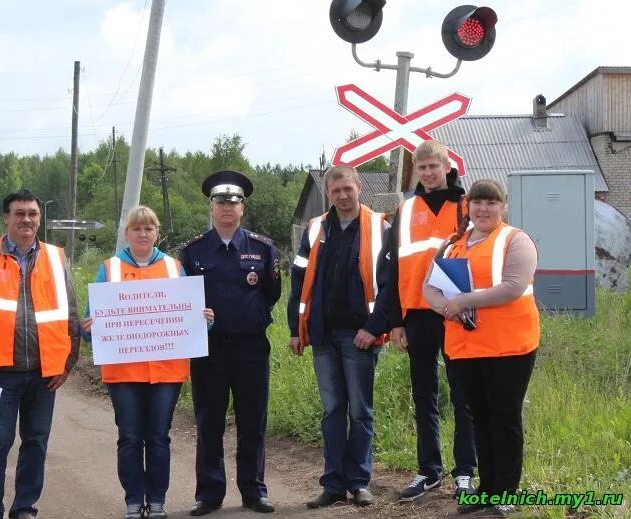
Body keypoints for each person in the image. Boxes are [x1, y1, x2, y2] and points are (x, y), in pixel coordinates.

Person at [80, 205, 215, 519]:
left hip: (166, 372)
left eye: (148, 228)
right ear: (127, 233)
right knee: (129, 437)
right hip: (123, 371)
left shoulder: (173, 267)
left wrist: (204, 320)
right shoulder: (109, 268)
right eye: (136, 229)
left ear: (156, 233)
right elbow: (92, 320)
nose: (142, 234)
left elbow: (189, 318)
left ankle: (156, 501)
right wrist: (88, 329)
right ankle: (132, 501)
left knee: (158, 437)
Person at [423, 179, 539, 516]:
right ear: (468, 206)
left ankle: (507, 492)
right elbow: (430, 288)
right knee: (480, 421)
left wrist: (463, 302)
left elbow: (513, 287)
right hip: (465, 348)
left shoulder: (515, 240)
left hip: (509, 348)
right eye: (478, 202)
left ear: (502, 207)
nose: (484, 209)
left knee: (504, 419)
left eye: (491, 203)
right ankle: (486, 490)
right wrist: (446, 307)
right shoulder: (452, 244)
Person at [0, 189, 80, 519]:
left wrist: (68, 362)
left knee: (36, 443)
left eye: (32, 213)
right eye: (19, 213)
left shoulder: (57, 258)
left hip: (46, 374)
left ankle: (24, 508)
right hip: (0, 373)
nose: (26, 219)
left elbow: (71, 312)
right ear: (6, 217)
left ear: (39, 219)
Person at [287, 165, 391, 508]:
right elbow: (298, 282)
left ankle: (359, 482)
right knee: (332, 411)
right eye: (336, 191)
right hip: (323, 335)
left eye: (348, 188)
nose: (343, 196)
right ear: (328, 193)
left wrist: (373, 328)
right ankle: (332, 484)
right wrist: (295, 329)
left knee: (360, 411)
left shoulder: (380, 227)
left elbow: (391, 287)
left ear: (359, 186)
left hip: (360, 335)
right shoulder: (315, 228)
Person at [180, 170, 281, 516]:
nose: (227, 208)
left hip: (251, 347)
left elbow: (271, 293)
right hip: (209, 350)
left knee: (253, 421)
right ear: (211, 207)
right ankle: (209, 493)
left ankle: (254, 490)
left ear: (243, 209)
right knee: (209, 422)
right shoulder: (192, 251)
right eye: (221, 202)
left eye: (233, 202)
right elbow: (181, 300)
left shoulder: (263, 248)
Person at [386, 140, 477, 501]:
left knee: (463, 394)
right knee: (424, 394)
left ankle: (466, 472)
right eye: (421, 168)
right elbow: (390, 269)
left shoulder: (468, 205)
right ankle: (428, 470)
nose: (427, 173)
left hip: (457, 312)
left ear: (446, 167)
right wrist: (395, 321)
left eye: (433, 167)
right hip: (417, 313)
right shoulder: (404, 210)